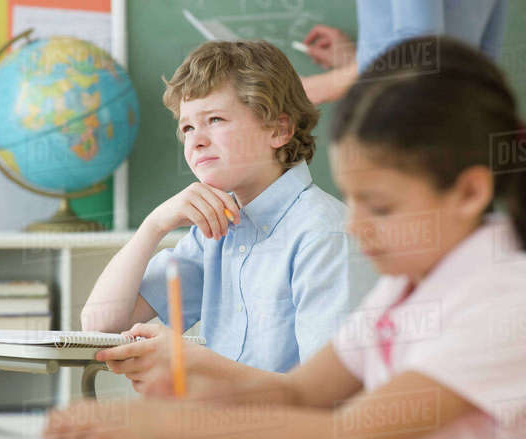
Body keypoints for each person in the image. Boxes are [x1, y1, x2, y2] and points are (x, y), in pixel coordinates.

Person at [45, 36, 526, 439]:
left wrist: (165, 422)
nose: (357, 226)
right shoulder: (410, 281)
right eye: (354, 201)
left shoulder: (503, 301)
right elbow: (297, 393)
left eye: (380, 207)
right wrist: (166, 408)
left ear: (469, 193)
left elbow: (345, 429)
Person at [80, 40, 368, 396]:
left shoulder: (323, 234)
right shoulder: (216, 231)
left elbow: (328, 397)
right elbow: (100, 323)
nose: (196, 141)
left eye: (214, 120)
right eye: (187, 128)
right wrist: (154, 225)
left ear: (279, 130)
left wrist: (191, 362)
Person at [301, 0, 507, 104]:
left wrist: (316, 88)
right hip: (458, 120)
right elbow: (483, 59)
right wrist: (356, 61)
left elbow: (417, 52)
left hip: (404, 132)